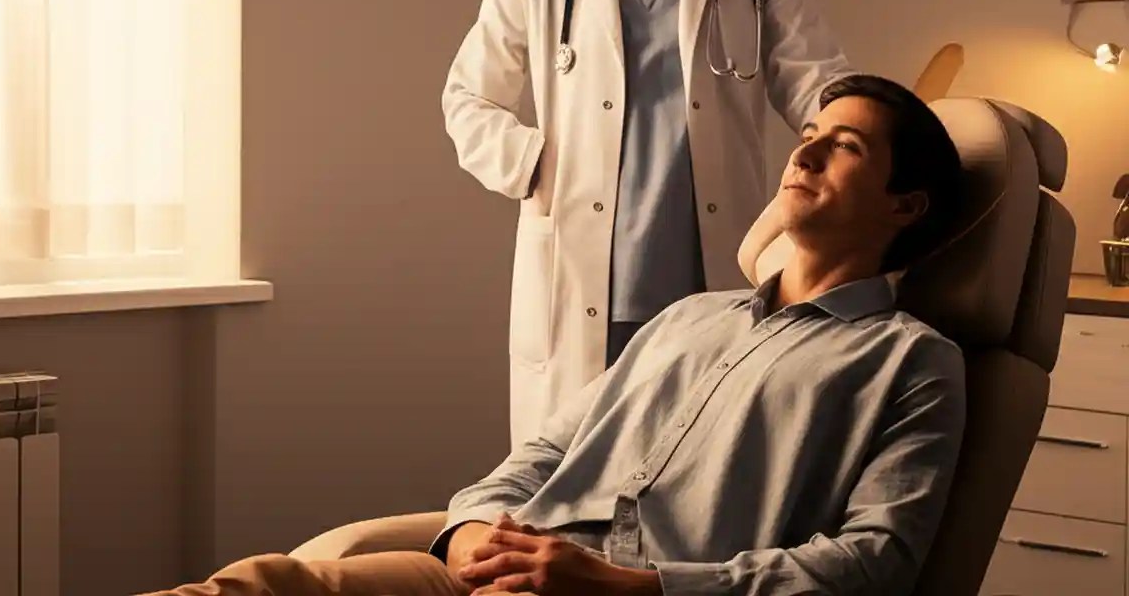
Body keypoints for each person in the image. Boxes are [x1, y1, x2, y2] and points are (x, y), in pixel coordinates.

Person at [141, 73, 968, 596]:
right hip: (503, 566)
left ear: (906, 205)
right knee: (260, 584)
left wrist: (625, 585)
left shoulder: (908, 362)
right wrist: (473, 530)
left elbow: (873, 562)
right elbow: (542, 459)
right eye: (809, 136)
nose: (808, 151)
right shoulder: (689, 318)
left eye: (846, 145)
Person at [441, 0, 855, 449]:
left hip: (708, 273)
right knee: (579, 485)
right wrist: (538, 166)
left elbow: (813, 77)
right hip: (587, 276)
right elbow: (468, 97)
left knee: (701, 477)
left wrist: (860, 138)